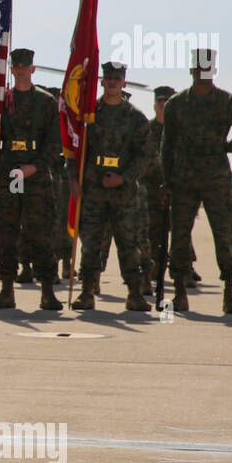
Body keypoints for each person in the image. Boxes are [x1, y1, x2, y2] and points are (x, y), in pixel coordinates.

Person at [161, 49, 232, 313]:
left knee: (225, 234)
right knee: (179, 237)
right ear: (192, 71)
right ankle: (180, 292)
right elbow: (166, 147)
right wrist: (166, 181)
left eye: (206, 70)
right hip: (183, 181)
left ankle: (229, 294)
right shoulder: (176, 104)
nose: (202, 74)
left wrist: (227, 147)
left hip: (215, 179)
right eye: (198, 70)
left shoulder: (226, 102)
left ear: (213, 71)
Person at [69, 63, 152, 311]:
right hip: (93, 190)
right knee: (92, 243)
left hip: (123, 192)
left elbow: (145, 155)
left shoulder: (136, 117)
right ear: (102, 82)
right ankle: (86, 292)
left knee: (128, 242)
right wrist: (73, 179)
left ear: (124, 83)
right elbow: (74, 149)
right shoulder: (89, 115)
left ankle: (134, 294)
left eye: (118, 78)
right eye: (109, 78)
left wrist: (125, 178)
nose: (113, 82)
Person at [0, 48, 63, 310]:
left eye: (25, 66)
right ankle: (7, 289)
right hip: (10, 176)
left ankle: (48, 291)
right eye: (16, 66)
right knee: (7, 231)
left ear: (33, 69)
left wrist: (36, 167)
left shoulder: (46, 102)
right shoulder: (1, 101)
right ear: (12, 69)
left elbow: (55, 143)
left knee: (40, 232)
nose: (20, 69)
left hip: (35, 176)